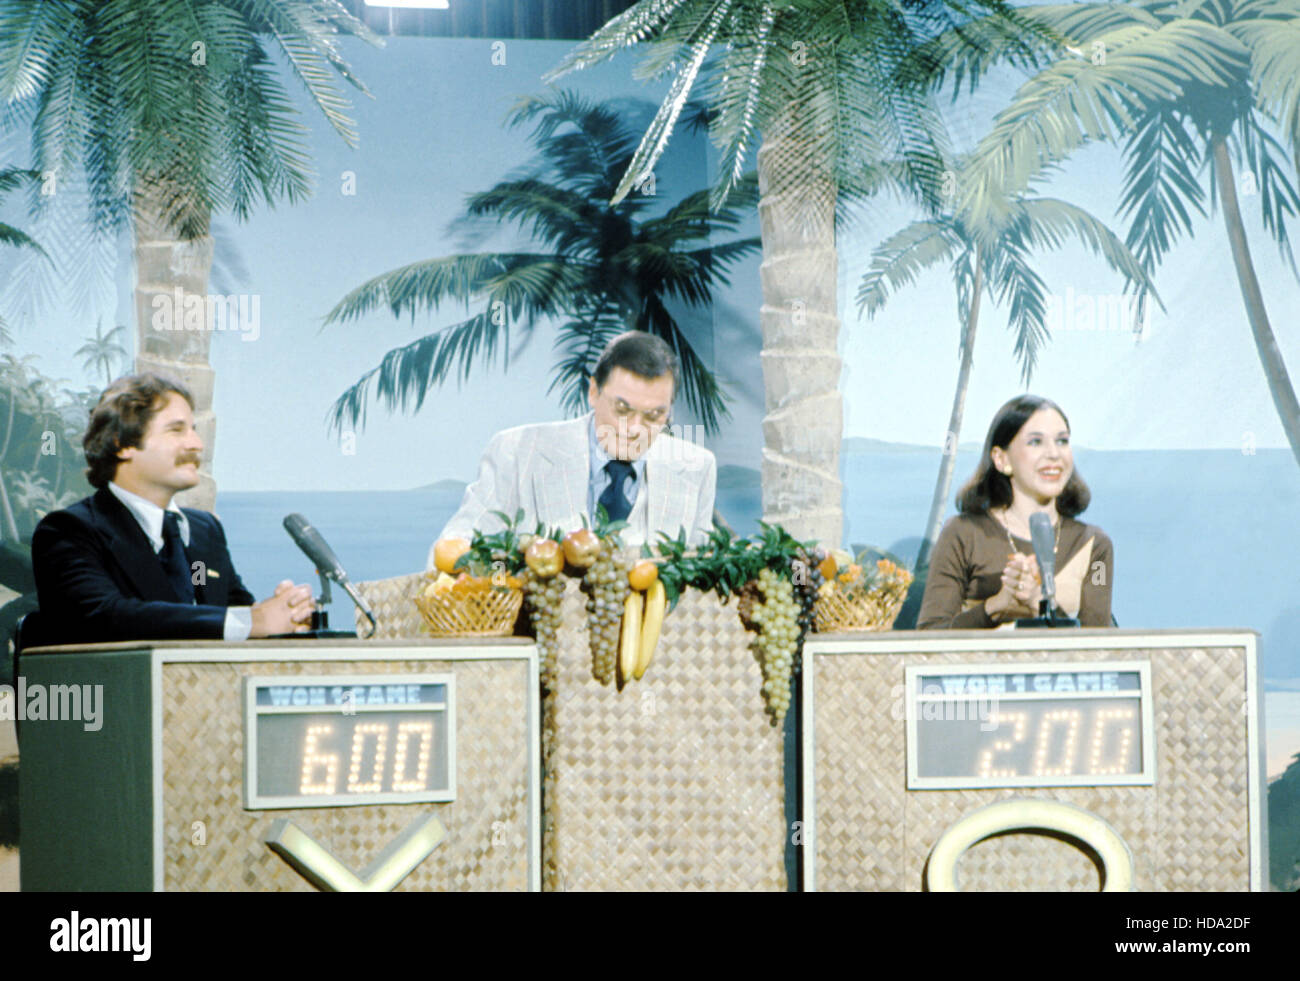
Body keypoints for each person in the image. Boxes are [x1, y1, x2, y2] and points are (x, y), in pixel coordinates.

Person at [29, 374, 315, 647]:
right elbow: (105, 617)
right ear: (122, 443)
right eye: (177, 430)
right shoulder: (70, 530)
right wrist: (253, 621)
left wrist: (285, 616)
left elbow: (230, 612)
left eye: (193, 430)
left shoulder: (205, 532)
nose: (196, 444)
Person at [435, 331, 716, 560]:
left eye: (654, 415)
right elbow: (456, 547)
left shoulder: (696, 467)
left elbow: (701, 571)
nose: (634, 429)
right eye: (622, 409)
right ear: (593, 392)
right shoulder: (517, 451)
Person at [917, 394, 1114, 629]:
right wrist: (994, 607)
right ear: (1001, 459)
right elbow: (930, 636)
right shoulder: (961, 534)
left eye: (1062, 441)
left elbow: (1100, 645)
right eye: (1035, 442)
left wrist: (1039, 604)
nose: (1054, 454)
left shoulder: (1095, 546)